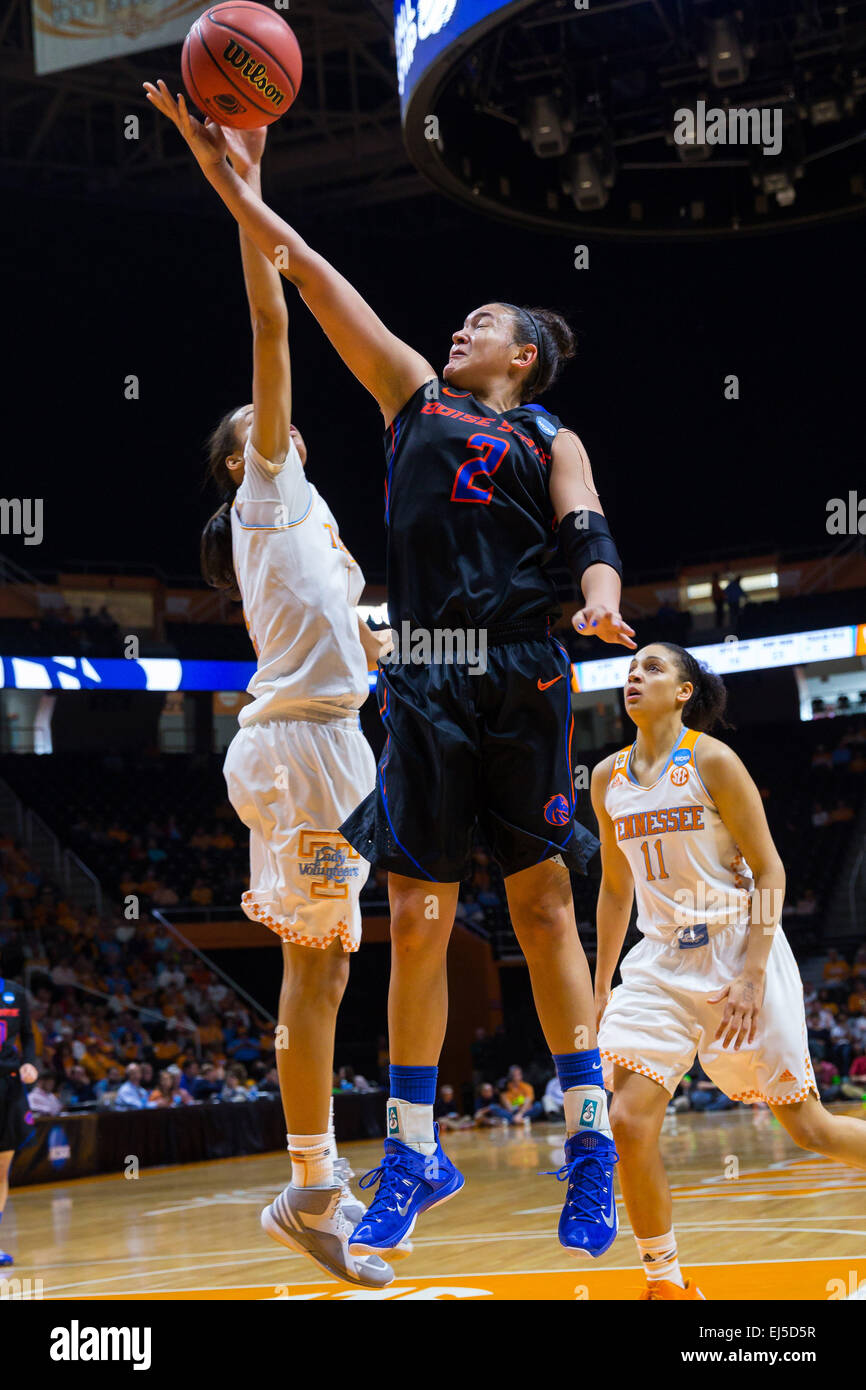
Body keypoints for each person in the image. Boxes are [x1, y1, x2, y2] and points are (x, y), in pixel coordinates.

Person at [142, 80, 634, 1264]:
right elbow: (298, 275)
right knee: (416, 919)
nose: (457, 331)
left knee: (543, 903)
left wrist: (603, 597)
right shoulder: (409, 397)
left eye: (481, 325)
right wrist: (233, 173)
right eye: (454, 322)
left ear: (522, 356)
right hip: (416, 681)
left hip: (520, 668)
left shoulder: (543, 435)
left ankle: (589, 1141)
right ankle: (410, 1150)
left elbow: (586, 526)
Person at [140, 111, 398, 1291]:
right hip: (302, 754)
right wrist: (242, 183)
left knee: (331, 970)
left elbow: (352, 640)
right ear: (242, 458)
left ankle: (314, 1186)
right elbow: (269, 319)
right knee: (316, 972)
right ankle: (309, 1192)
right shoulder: (270, 492)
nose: (270, 423)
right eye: (253, 427)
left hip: (329, 747)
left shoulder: (320, 535)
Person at [592, 642, 866, 1301]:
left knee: (809, 1128)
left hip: (738, 949)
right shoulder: (606, 777)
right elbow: (612, 888)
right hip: (659, 962)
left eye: (653, 668)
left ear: (684, 692)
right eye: (633, 668)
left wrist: (748, 977)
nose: (636, 675)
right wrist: (599, 985)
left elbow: (769, 870)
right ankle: (666, 1283)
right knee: (625, 1119)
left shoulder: (712, 761)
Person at [0, 946, 37, 1265]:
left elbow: (28, 1037)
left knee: (1, 1169)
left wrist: (30, 1064)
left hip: (8, 1085)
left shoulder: (16, 994)